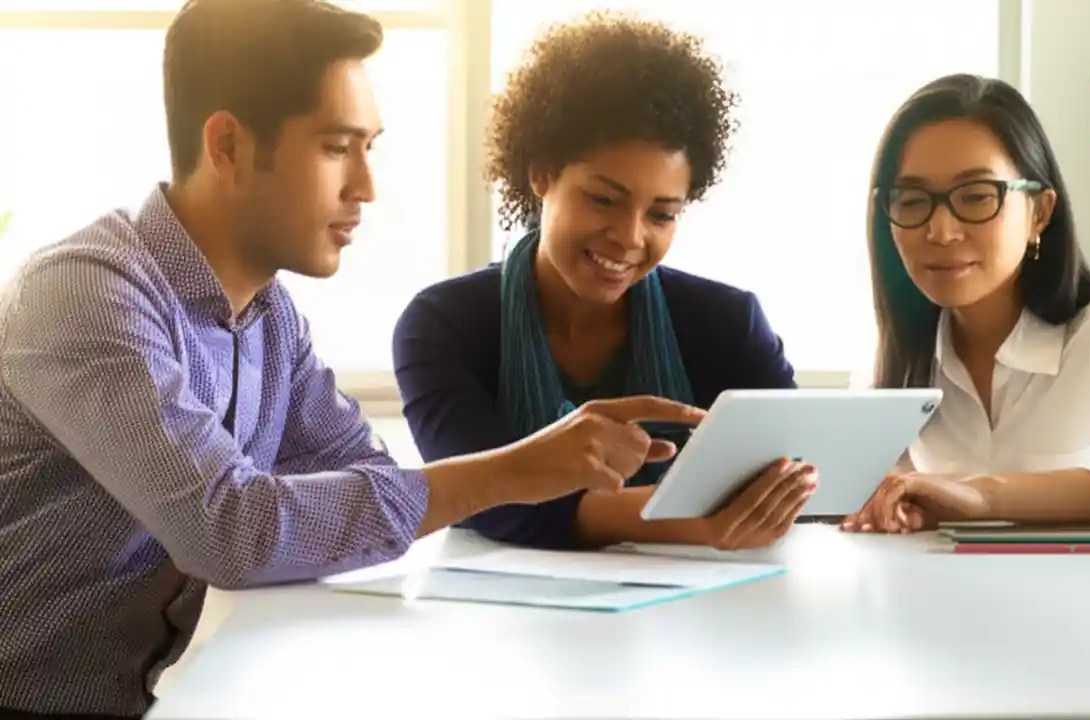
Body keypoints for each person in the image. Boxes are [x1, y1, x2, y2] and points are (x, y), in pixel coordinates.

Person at [0, 2, 706, 717]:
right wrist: (517, 469)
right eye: (338, 147)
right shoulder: (85, 295)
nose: (366, 186)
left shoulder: (271, 321)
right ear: (229, 146)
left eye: (370, 147)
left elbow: (364, 476)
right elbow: (230, 530)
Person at [393, 12, 817, 553]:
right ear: (542, 172)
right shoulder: (443, 325)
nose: (628, 237)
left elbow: (795, 474)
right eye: (604, 200)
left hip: (707, 614)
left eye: (662, 215)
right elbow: (481, 498)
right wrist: (687, 522)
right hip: (502, 616)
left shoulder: (728, 322)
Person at [843, 74, 1090, 535]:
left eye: (977, 196)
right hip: (938, 602)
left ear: (1039, 212)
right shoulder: (893, 367)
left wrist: (983, 495)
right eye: (912, 201)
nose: (940, 231)